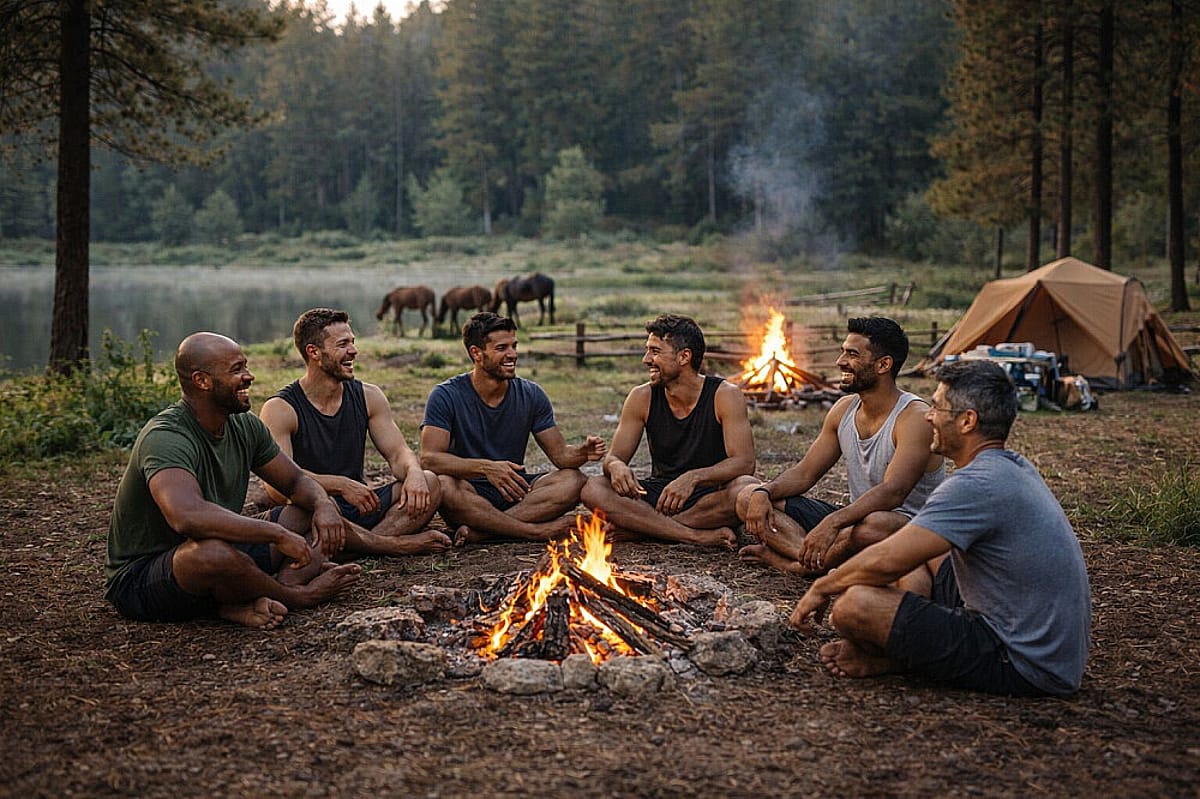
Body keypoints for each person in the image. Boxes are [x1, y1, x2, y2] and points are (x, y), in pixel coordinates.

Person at [791, 359, 1091, 696]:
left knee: (853, 606)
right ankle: (901, 646)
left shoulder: (975, 484)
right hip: (1043, 644)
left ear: (967, 421)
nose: (928, 416)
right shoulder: (1009, 467)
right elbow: (905, 547)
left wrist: (823, 587)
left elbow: (888, 560)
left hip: (1023, 660)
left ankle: (900, 655)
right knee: (917, 550)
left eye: (937, 407)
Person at [105, 332, 362, 629]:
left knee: (304, 511)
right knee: (212, 554)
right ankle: (295, 595)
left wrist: (323, 504)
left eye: (246, 366)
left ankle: (242, 598)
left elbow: (295, 482)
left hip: (221, 547)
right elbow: (187, 517)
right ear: (202, 381)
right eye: (237, 369)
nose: (249, 376)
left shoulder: (243, 424)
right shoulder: (166, 437)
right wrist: (276, 534)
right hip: (145, 576)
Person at [737, 316, 944, 574]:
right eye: (842, 352)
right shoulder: (844, 410)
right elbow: (805, 473)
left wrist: (833, 522)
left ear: (884, 364)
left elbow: (893, 493)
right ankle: (807, 558)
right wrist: (764, 493)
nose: (840, 362)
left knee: (877, 523)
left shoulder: (913, 417)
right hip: (854, 523)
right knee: (747, 496)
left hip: (904, 528)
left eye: (852, 354)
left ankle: (807, 562)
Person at [259, 308, 451, 557]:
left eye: (353, 342)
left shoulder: (368, 396)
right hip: (314, 508)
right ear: (314, 352)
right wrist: (339, 485)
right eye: (342, 344)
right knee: (309, 513)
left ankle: (364, 545)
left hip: (359, 506)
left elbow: (398, 453)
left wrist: (413, 472)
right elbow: (277, 488)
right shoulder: (280, 409)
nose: (353, 351)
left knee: (430, 482)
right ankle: (389, 544)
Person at [419, 311, 607, 544]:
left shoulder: (531, 394)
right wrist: (487, 468)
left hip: (517, 492)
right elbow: (429, 459)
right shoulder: (445, 395)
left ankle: (486, 531)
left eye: (514, 346)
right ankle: (533, 532)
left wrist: (581, 453)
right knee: (445, 486)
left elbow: (561, 457)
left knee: (573, 480)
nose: (513, 355)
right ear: (476, 353)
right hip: (469, 493)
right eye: (502, 348)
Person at [580, 313, 757, 549]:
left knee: (746, 487)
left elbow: (744, 463)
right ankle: (691, 535)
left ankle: (643, 530)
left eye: (655, 351)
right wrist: (616, 466)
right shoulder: (641, 397)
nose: (646, 359)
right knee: (593, 488)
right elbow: (614, 457)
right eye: (648, 350)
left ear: (684, 357)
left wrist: (693, 478)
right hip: (659, 497)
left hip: (709, 499)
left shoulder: (725, 395)